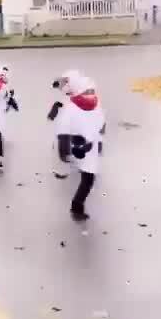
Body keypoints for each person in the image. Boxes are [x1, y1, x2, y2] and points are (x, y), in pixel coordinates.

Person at [58, 76, 105, 222]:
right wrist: (64, 150)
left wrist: (99, 144)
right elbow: (64, 129)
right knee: (88, 178)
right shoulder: (71, 108)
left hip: (88, 147)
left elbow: (100, 124)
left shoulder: (95, 105)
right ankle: (76, 207)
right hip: (77, 145)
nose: (90, 94)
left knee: (88, 178)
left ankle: (77, 206)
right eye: (88, 91)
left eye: (91, 91)